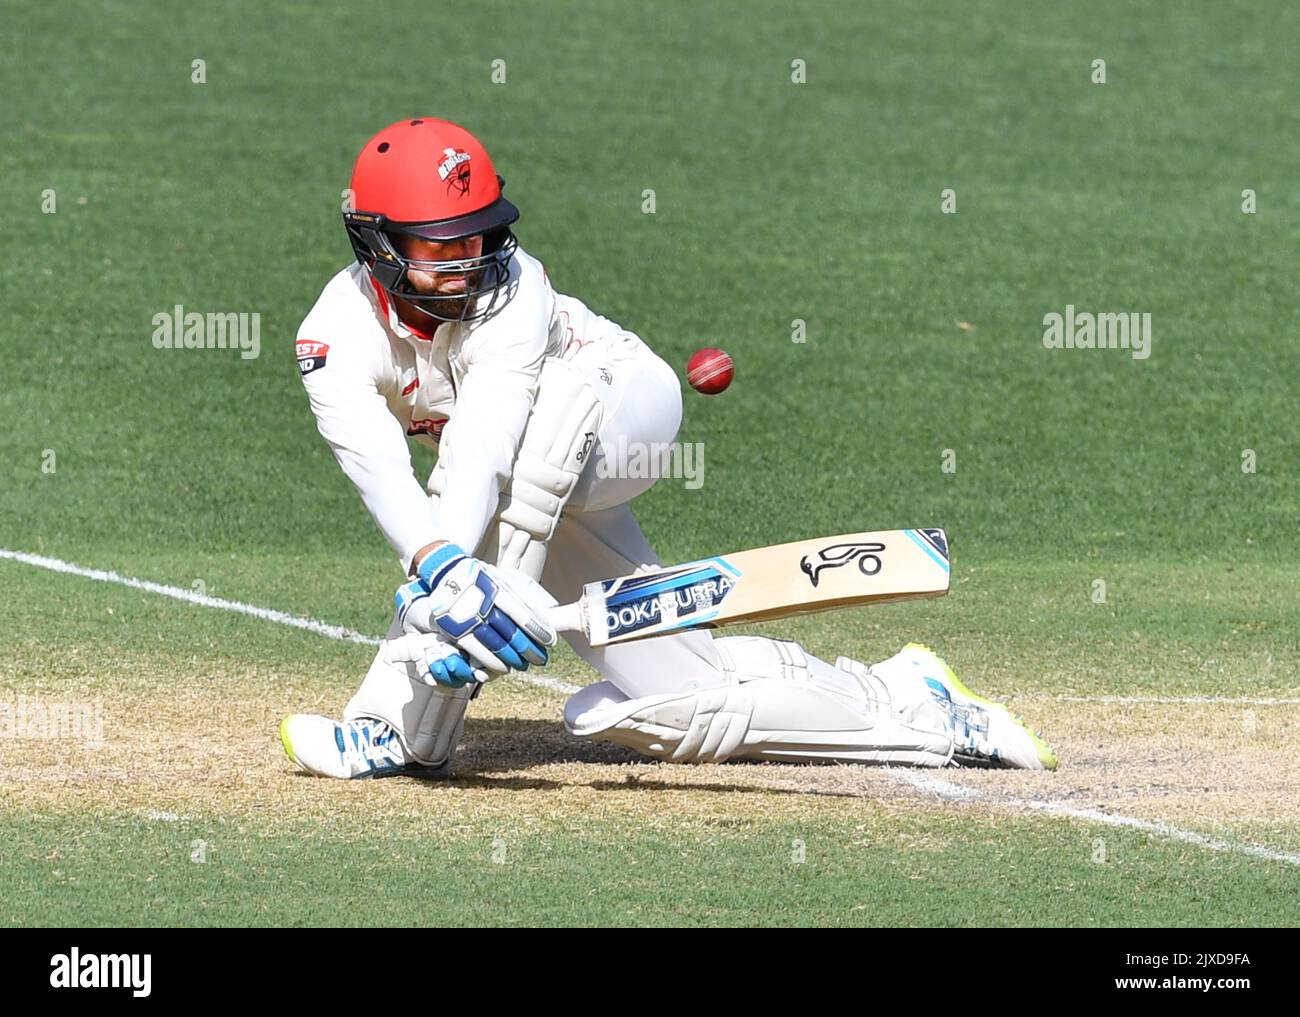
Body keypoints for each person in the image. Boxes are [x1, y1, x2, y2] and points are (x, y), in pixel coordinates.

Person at [279, 118, 1058, 779]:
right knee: (683, 703)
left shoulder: (516, 292)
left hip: (622, 413)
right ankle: (921, 704)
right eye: (443, 246)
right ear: (377, 244)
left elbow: (483, 445)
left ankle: (404, 727)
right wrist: (449, 578)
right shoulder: (334, 340)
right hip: (538, 489)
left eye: (479, 234)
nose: (472, 258)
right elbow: (381, 474)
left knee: (502, 468)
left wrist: (463, 597)